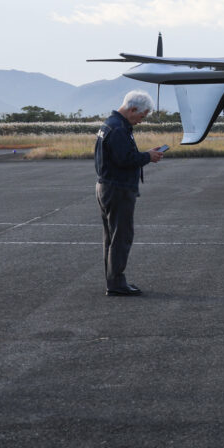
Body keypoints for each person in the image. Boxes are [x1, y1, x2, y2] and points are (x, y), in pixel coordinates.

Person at [95, 90, 165, 296]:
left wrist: (144, 154)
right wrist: (147, 157)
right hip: (117, 188)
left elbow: (122, 155)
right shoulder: (118, 129)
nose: (141, 121)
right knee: (121, 236)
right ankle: (116, 282)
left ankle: (114, 280)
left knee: (111, 237)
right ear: (132, 109)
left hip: (107, 186)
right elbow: (124, 160)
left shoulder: (111, 124)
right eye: (141, 116)